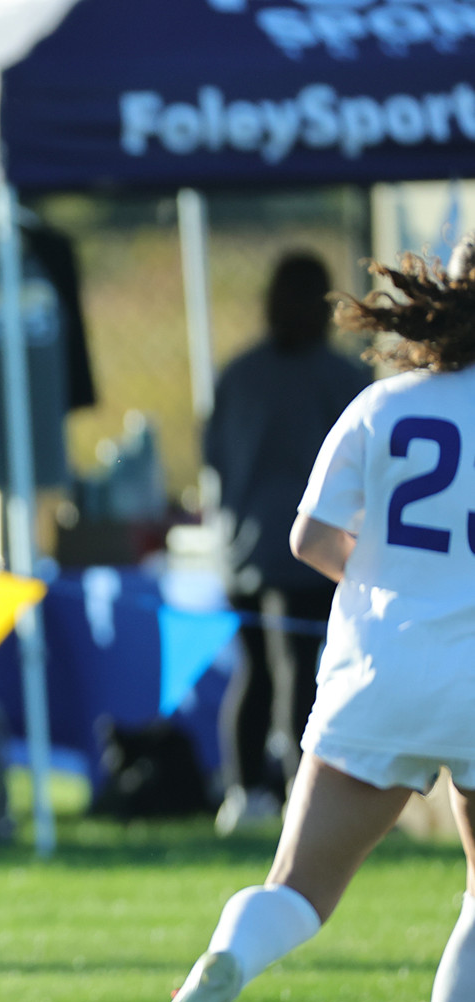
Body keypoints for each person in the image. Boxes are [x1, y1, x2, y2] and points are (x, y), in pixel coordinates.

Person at [144, 234, 475, 1002]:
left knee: (297, 888)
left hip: (378, 673)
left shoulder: (381, 404)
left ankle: (225, 960)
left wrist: (394, 586)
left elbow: (310, 539)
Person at [205, 253, 373, 834]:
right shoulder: (342, 379)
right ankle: (299, 796)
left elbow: (214, 458)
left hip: (243, 551)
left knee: (256, 671)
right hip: (308, 553)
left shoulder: (239, 374)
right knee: (301, 672)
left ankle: (245, 793)